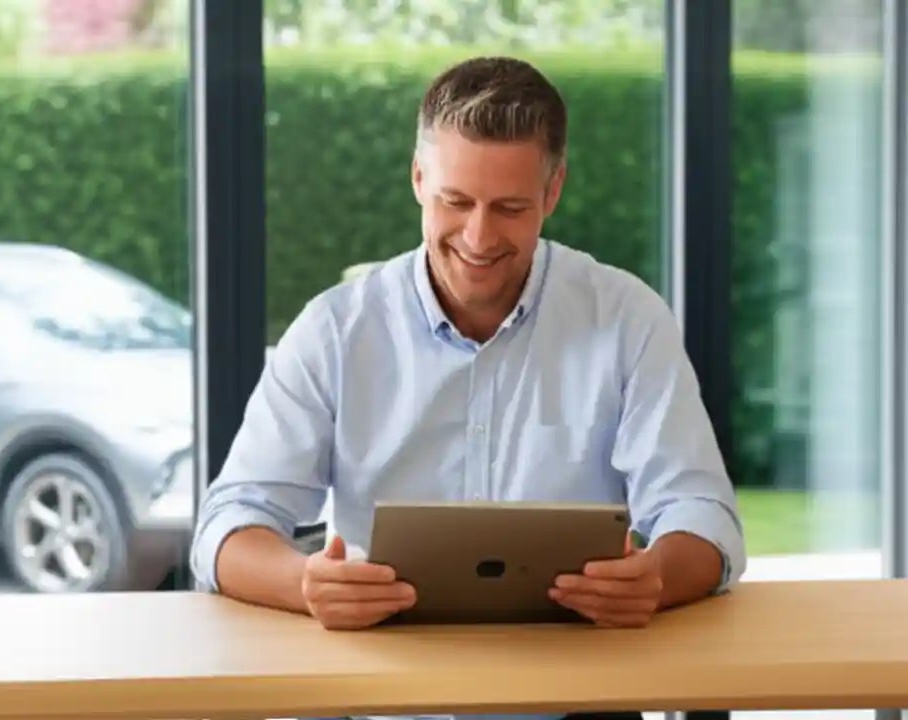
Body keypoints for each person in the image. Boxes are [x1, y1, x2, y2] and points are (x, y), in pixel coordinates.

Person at [189, 55, 746, 720]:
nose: (479, 237)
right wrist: (305, 584)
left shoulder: (625, 318)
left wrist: (654, 579)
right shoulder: (337, 329)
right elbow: (228, 524)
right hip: (381, 699)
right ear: (419, 179)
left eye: (510, 207)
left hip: (581, 699)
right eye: (456, 202)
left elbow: (704, 517)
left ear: (554, 191)